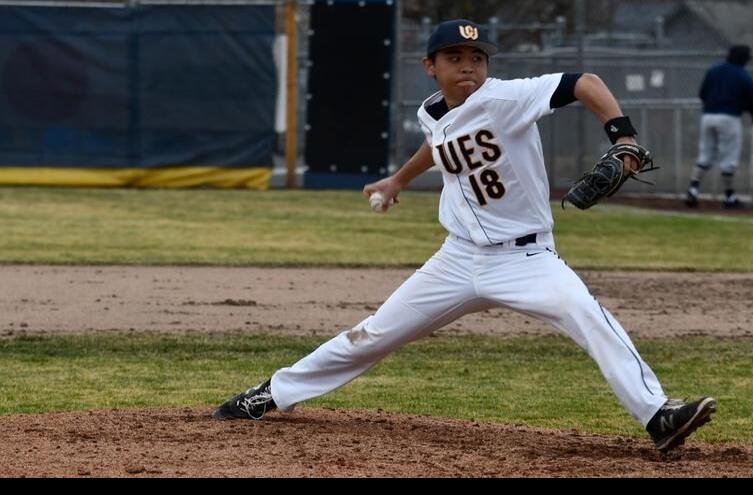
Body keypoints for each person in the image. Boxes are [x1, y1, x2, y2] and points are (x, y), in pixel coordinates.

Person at [212, 19, 716, 454]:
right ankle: (273, 393)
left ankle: (659, 417)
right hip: (455, 261)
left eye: (477, 56)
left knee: (587, 316)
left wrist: (623, 136)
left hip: (526, 259)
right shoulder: (432, 110)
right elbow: (439, 142)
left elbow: (585, 81)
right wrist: (397, 180)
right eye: (455, 56)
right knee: (373, 334)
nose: (469, 65)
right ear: (430, 66)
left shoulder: (507, 97)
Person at [685, 45, 753, 208]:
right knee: (729, 158)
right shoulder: (743, 76)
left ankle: (693, 189)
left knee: (705, 155)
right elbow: (751, 99)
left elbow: (702, 93)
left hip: (708, 116)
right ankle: (729, 197)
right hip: (729, 118)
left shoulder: (713, 71)